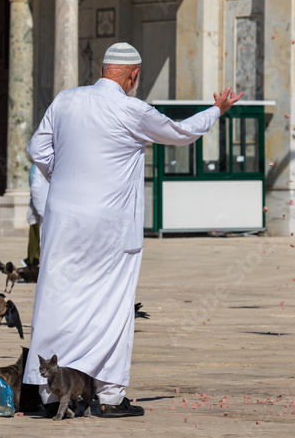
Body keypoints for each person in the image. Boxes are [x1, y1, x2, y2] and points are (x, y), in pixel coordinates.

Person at [23, 42, 242, 418]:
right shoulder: (132, 109)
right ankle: (108, 397)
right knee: (112, 306)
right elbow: (180, 132)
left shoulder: (65, 100)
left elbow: (38, 149)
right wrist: (216, 110)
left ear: (104, 69)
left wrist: (69, 180)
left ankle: (47, 396)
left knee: (56, 301)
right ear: (133, 76)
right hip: (107, 226)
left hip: (62, 222)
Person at [26, 163, 48, 266]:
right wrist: (43, 210)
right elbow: (36, 188)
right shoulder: (38, 167)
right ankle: (34, 261)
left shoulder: (38, 166)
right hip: (41, 206)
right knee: (38, 234)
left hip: (42, 206)